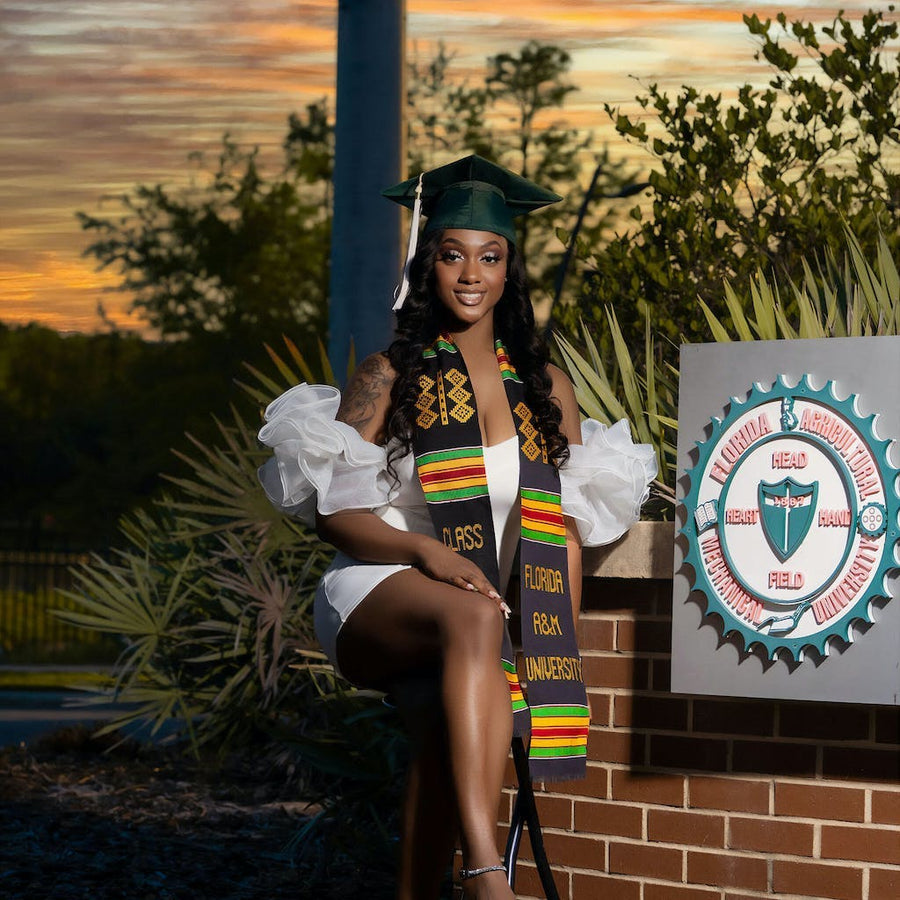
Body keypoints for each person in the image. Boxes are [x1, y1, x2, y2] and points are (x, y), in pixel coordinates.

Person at [258, 155, 656, 900]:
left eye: (490, 256)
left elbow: (564, 526)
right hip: (376, 589)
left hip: (475, 609)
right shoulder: (386, 375)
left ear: (509, 273)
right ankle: (483, 875)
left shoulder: (546, 389)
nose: (470, 274)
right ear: (427, 265)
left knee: (445, 729)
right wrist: (423, 550)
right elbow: (336, 518)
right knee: (473, 618)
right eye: (451, 255)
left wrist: (544, 646)